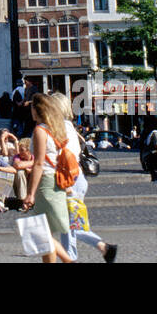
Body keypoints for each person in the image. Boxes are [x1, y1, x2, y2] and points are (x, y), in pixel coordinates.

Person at [51, 92, 118, 263]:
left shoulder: (63, 127)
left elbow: (68, 155)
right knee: (71, 222)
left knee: (69, 223)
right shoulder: (67, 126)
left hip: (71, 179)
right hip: (75, 178)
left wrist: (66, 182)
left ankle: (75, 256)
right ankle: (104, 248)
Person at [20, 92, 73, 263]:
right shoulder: (56, 128)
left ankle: (69, 261)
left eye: (32, 108)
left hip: (46, 183)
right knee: (45, 231)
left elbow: (38, 164)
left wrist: (30, 193)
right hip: (57, 181)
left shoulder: (40, 130)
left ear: (36, 109)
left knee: (42, 232)